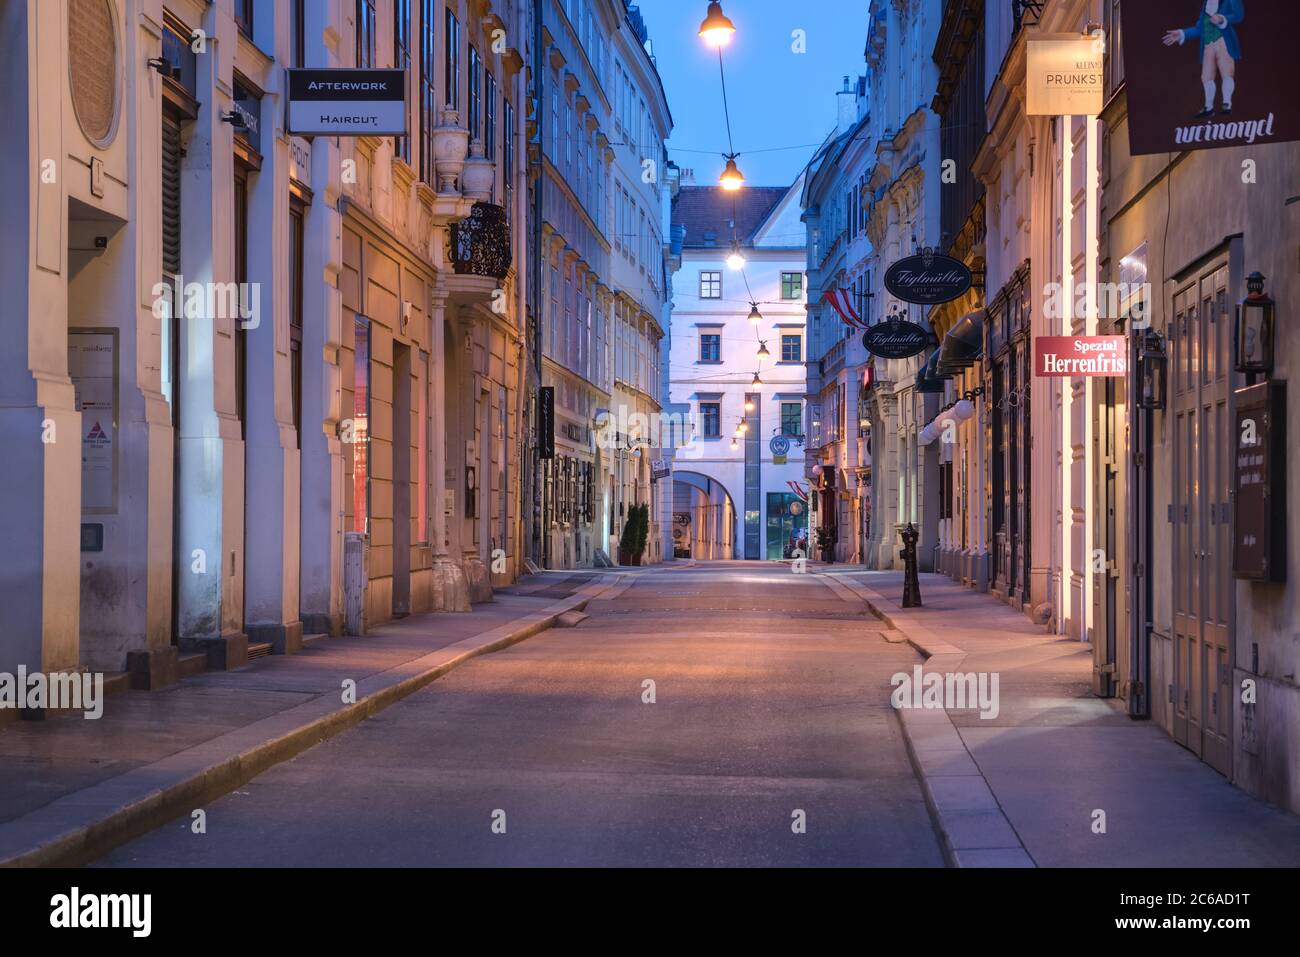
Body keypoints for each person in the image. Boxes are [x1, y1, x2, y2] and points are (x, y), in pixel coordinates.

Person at [1162, 0, 1244, 119]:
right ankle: (1208, 107)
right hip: (1208, 44)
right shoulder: (1206, 3)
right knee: (1206, 76)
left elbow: (1239, 15)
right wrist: (1182, 33)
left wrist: (1222, 18)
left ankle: (1227, 103)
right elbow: (1200, 28)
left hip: (1223, 41)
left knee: (1226, 71)